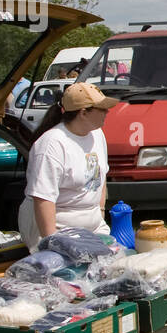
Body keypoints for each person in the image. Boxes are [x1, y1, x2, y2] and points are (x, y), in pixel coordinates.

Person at [19, 82, 117, 251]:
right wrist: (52, 246)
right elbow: (43, 199)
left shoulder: (97, 134)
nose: (107, 112)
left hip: (92, 227)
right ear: (83, 113)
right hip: (57, 231)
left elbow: (100, 178)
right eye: (101, 108)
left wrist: (99, 216)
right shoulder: (52, 144)